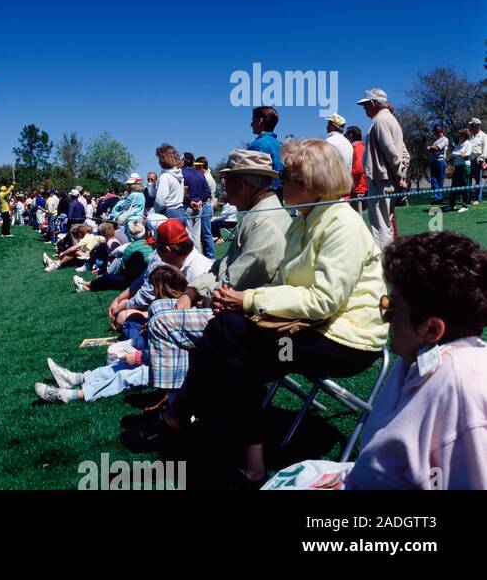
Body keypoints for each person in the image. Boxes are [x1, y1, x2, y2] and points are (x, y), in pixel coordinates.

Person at [122, 138, 388, 489]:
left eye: (289, 178)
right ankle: (246, 464)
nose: (281, 183)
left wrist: (246, 301)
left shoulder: (342, 224)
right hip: (305, 332)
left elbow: (324, 300)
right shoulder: (304, 220)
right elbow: (283, 283)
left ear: (310, 182)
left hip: (344, 344)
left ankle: (180, 420)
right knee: (235, 357)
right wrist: (246, 302)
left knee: (226, 330)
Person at [143, 150, 292, 398]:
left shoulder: (266, 222)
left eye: (227, 180)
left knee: (163, 322)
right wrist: (191, 292)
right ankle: (183, 399)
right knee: (159, 309)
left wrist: (202, 295)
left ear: (241, 184)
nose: (223, 187)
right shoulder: (256, 214)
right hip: (236, 307)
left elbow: (238, 281)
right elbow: (223, 266)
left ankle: (176, 409)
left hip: (251, 319)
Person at [346, 231, 487, 490]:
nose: (385, 316)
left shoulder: (459, 386)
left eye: (392, 306)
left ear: (432, 329)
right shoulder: (414, 359)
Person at [35, 265, 189, 403]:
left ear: (161, 288)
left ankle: (69, 395)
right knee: (119, 365)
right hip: (158, 360)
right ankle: (77, 378)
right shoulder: (174, 307)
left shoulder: (170, 313)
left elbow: (170, 355)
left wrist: (138, 357)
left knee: (125, 376)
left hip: (171, 368)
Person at [358, 88, 409, 250]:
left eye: (366, 105)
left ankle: (383, 265)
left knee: (380, 227)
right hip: (387, 179)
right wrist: (401, 175)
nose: (364, 109)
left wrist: (399, 176)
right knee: (386, 224)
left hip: (381, 180)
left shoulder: (380, 122)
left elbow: (392, 154)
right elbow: (404, 154)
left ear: (373, 103)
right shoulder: (391, 120)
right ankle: (390, 261)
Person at [181, 151, 215, 260]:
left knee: (190, 236)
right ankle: (199, 259)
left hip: (188, 207)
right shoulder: (200, 174)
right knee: (196, 236)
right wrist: (200, 200)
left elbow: (182, 192)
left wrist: (190, 200)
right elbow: (207, 191)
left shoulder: (181, 173)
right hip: (199, 206)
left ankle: (193, 260)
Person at [247, 106, 282, 191]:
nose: (251, 124)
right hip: (279, 195)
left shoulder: (257, 145)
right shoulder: (281, 146)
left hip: (263, 195)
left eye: (253, 120)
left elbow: (251, 178)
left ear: (260, 121)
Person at [151, 144, 186, 229]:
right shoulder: (179, 175)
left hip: (169, 213)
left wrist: (154, 212)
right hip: (181, 212)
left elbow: (160, 201)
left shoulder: (165, 176)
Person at [449, 127, 476, 212]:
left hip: (465, 167)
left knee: (465, 186)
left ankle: (465, 206)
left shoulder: (469, 144)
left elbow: (466, 156)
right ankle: (452, 205)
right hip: (457, 167)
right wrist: (458, 154)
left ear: (464, 136)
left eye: (460, 134)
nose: (459, 136)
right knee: (453, 187)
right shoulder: (458, 145)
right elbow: (452, 154)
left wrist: (459, 155)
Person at [344, 125, 367, 212]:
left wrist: (347, 179)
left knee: (357, 216)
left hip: (357, 188)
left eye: (345, 135)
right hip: (357, 187)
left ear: (351, 135)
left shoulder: (358, 148)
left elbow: (358, 169)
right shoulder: (360, 147)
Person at [425, 125, 449, 205]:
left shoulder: (445, 139)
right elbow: (432, 149)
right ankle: (439, 198)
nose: (434, 133)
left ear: (439, 131)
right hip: (433, 161)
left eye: (435, 131)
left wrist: (430, 147)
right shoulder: (435, 141)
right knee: (433, 180)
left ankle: (438, 198)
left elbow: (438, 148)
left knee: (440, 181)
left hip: (440, 161)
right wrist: (431, 148)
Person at [468, 118, 487, 205]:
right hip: (470, 160)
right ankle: (467, 198)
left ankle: (478, 199)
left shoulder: (484, 136)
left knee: (478, 180)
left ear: (477, 125)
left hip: (478, 159)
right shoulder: (471, 136)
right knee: (468, 180)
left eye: (472, 125)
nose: (471, 126)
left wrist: (482, 159)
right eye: (471, 125)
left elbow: (485, 149)